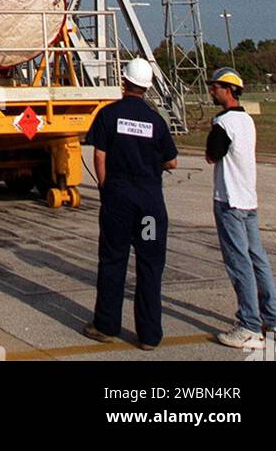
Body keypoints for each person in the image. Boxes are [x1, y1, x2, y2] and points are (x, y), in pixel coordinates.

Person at [83, 58, 178, 349]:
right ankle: (149, 336)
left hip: (118, 202)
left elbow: (99, 156)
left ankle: (106, 326)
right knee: (149, 265)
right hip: (149, 206)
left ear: (124, 82)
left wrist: (105, 186)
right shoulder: (156, 121)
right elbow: (171, 161)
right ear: (148, 87)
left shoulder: (108, 115)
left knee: (113, 260)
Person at [205, 67, 276, 349]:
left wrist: (212, 131)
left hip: (230, 200)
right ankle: (273, 320)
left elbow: (212, 156)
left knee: (239, 263)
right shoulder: (247, 121)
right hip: (249, 199)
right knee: (258, 260)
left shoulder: (223, 122)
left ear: (227, 90)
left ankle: (249, 326)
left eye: (215, 87)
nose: (211, 91)